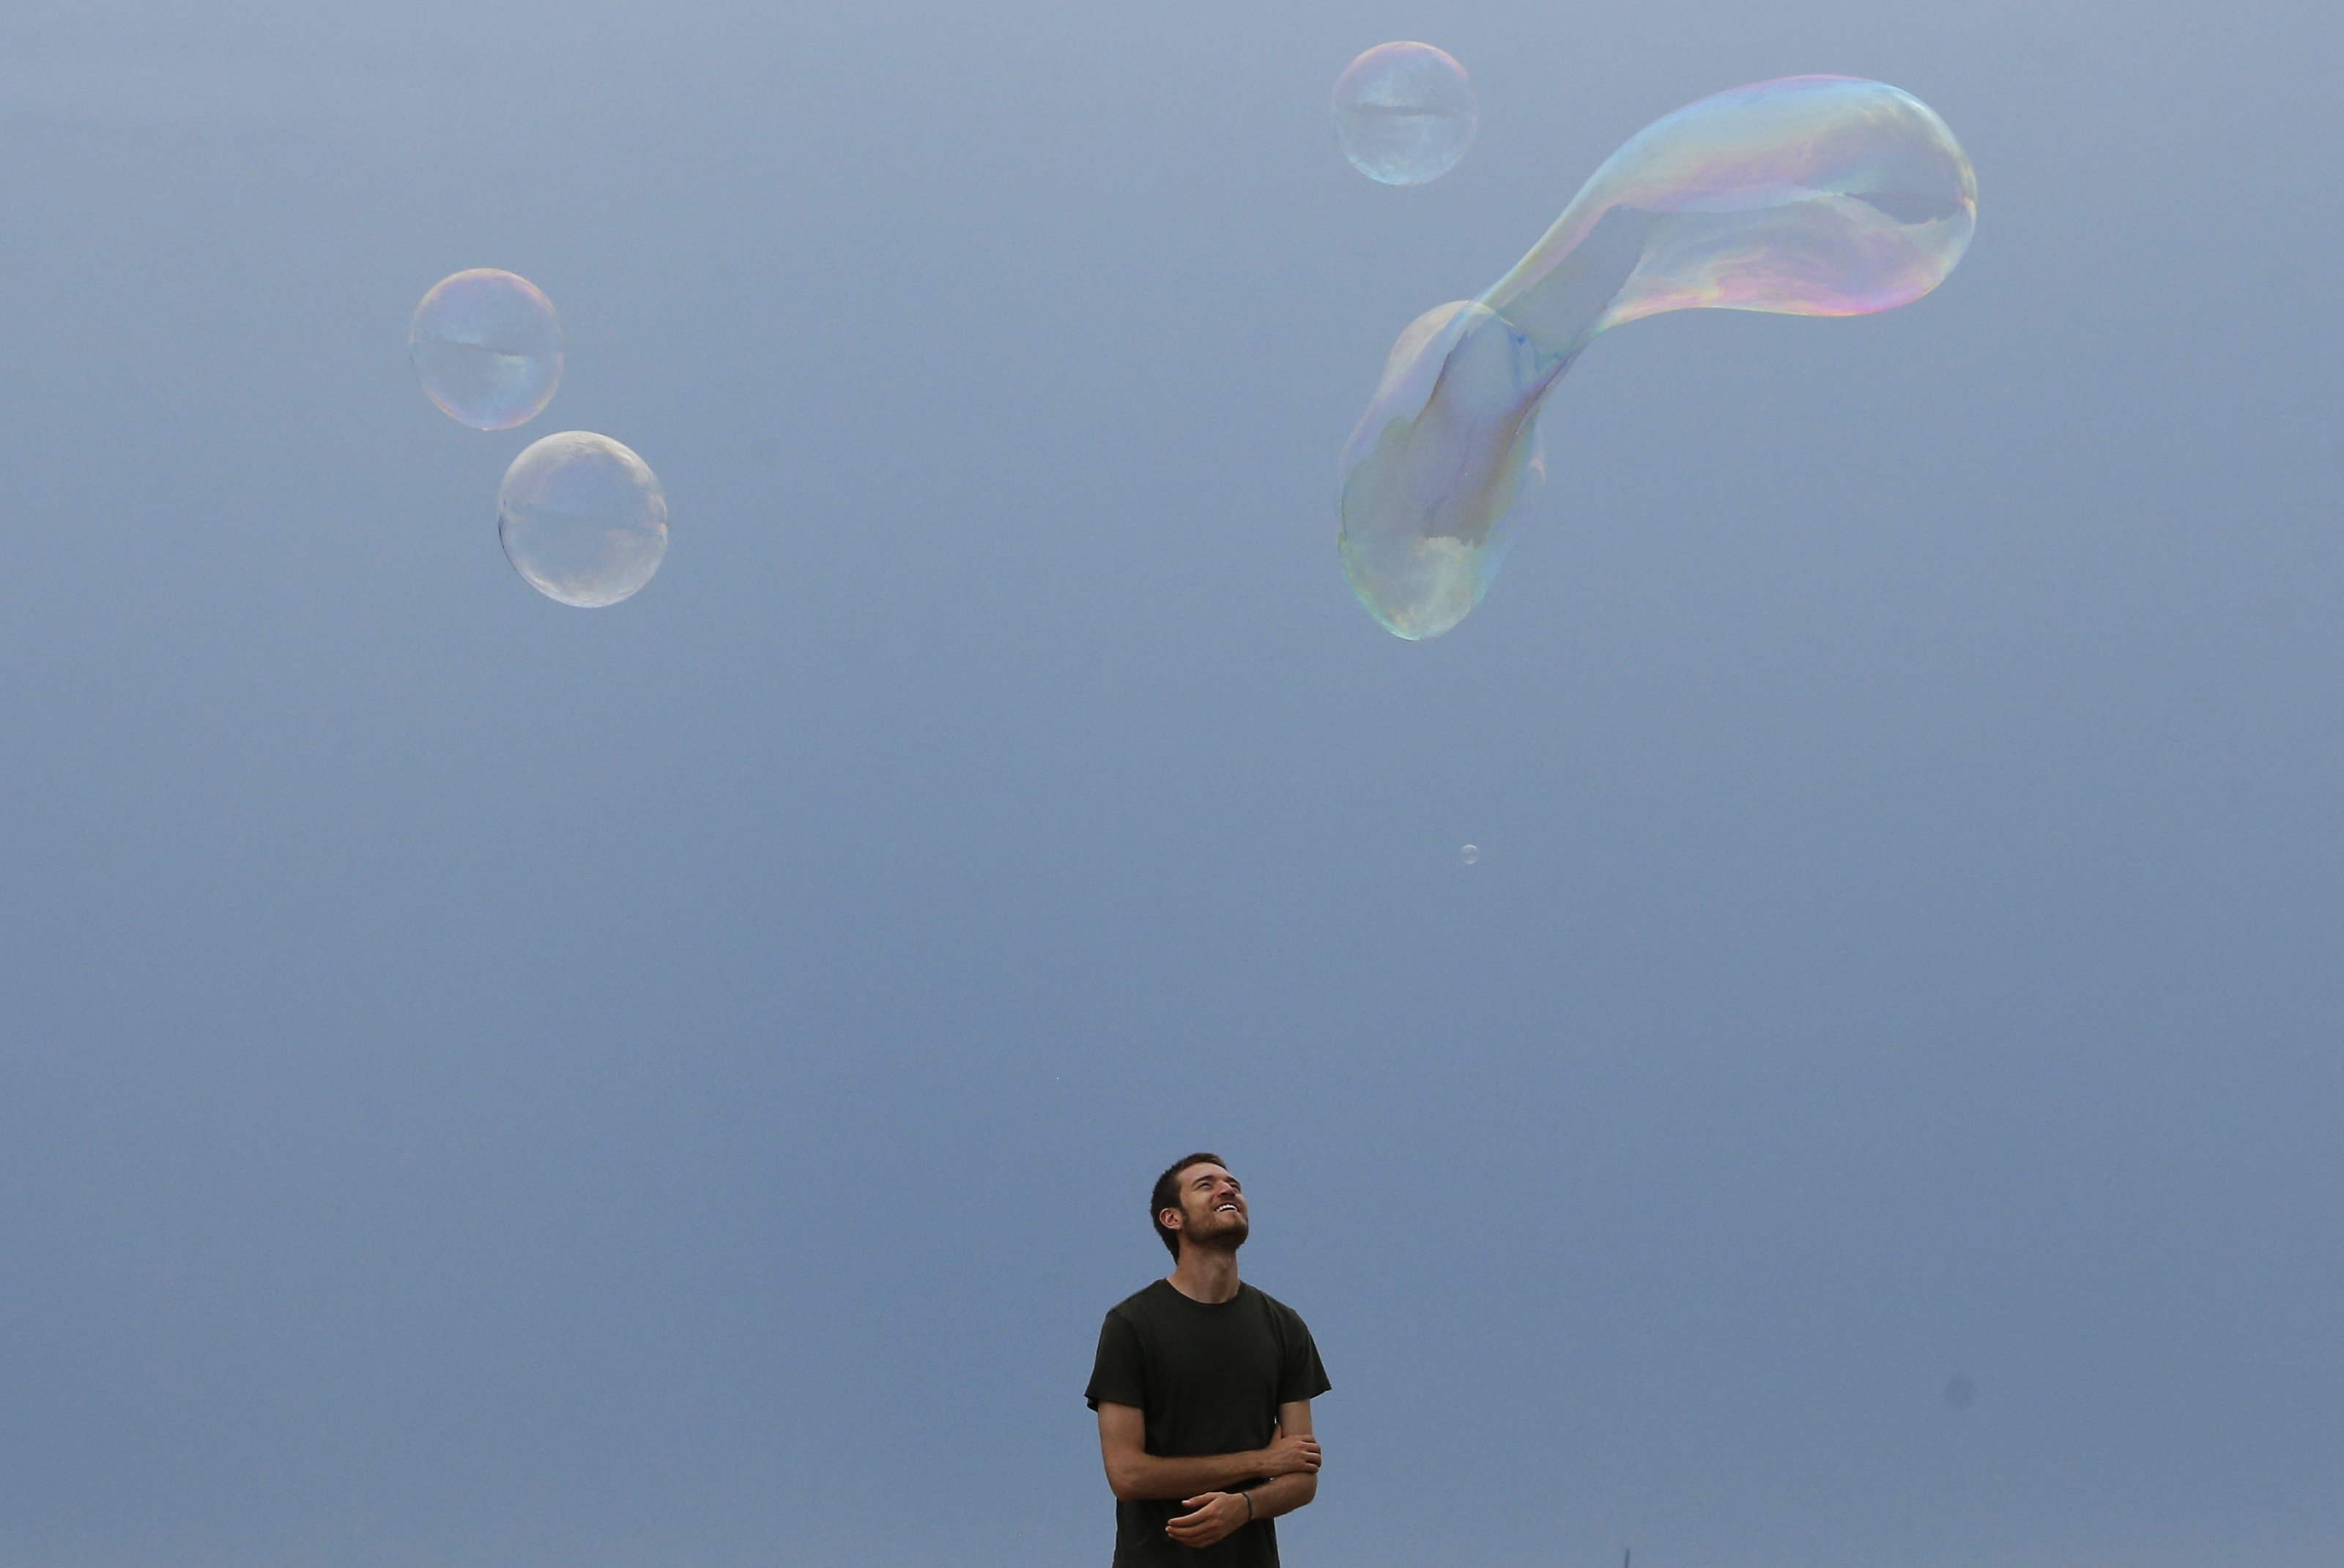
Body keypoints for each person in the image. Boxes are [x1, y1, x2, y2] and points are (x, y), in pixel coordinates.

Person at [1084, 1153, 1331, 1565]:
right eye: (1206, 1185)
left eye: (1233, 1183)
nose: (1228, 1189)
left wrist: (1245, 1506)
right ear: (1172, 1218)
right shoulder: (1131, 1325)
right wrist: (1261, 1461)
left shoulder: (1285, 1326)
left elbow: (1302, 1478)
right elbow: (1126, 1475)